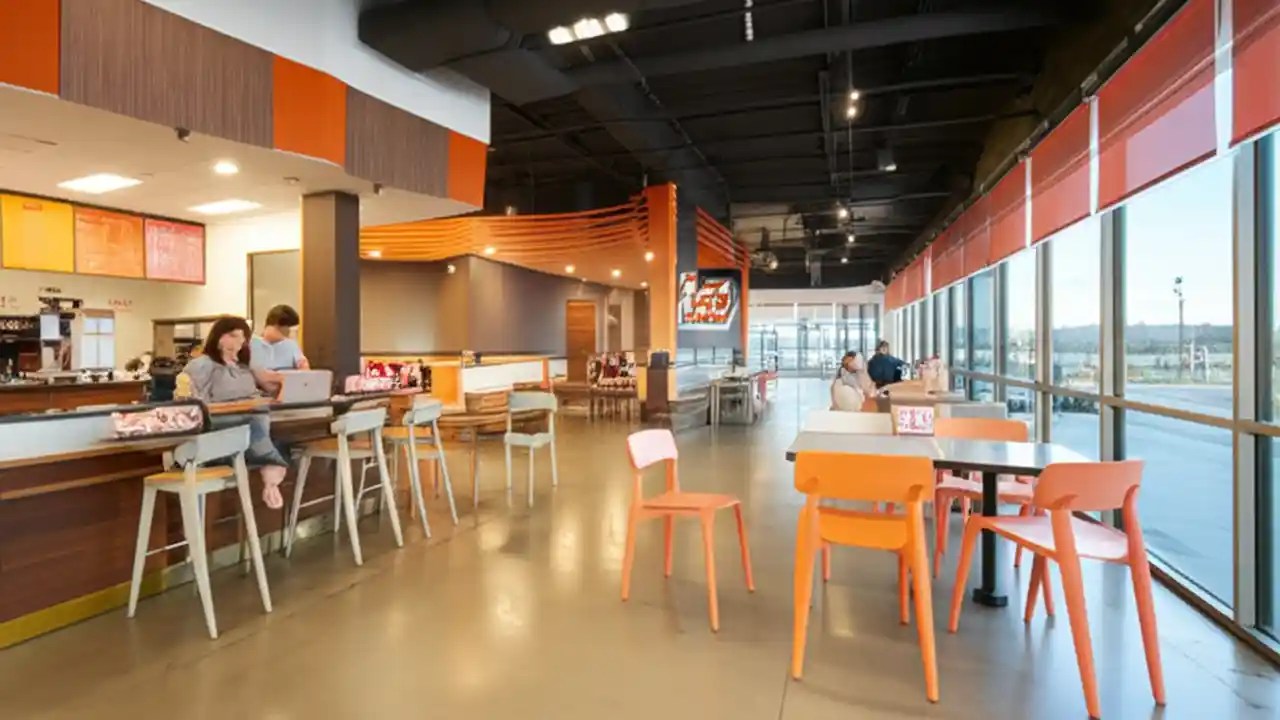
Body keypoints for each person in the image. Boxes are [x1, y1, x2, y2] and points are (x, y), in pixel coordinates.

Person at [178, 316, 290, 509]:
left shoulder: (243, 367)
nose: (237, 341)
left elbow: (268, 385)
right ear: (218, 337)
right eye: (232, 335)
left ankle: (271, 470)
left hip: (245, 426)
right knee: (256, 425)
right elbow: (191, 403)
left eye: (242, 337)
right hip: (217, 428)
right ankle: (272, 467)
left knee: (276, 434)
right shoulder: (203, 365)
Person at [251, 305, 309, 372]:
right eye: (290, 329)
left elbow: (304, 371)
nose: (290, 333)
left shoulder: (291, 346)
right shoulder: (252, 345)